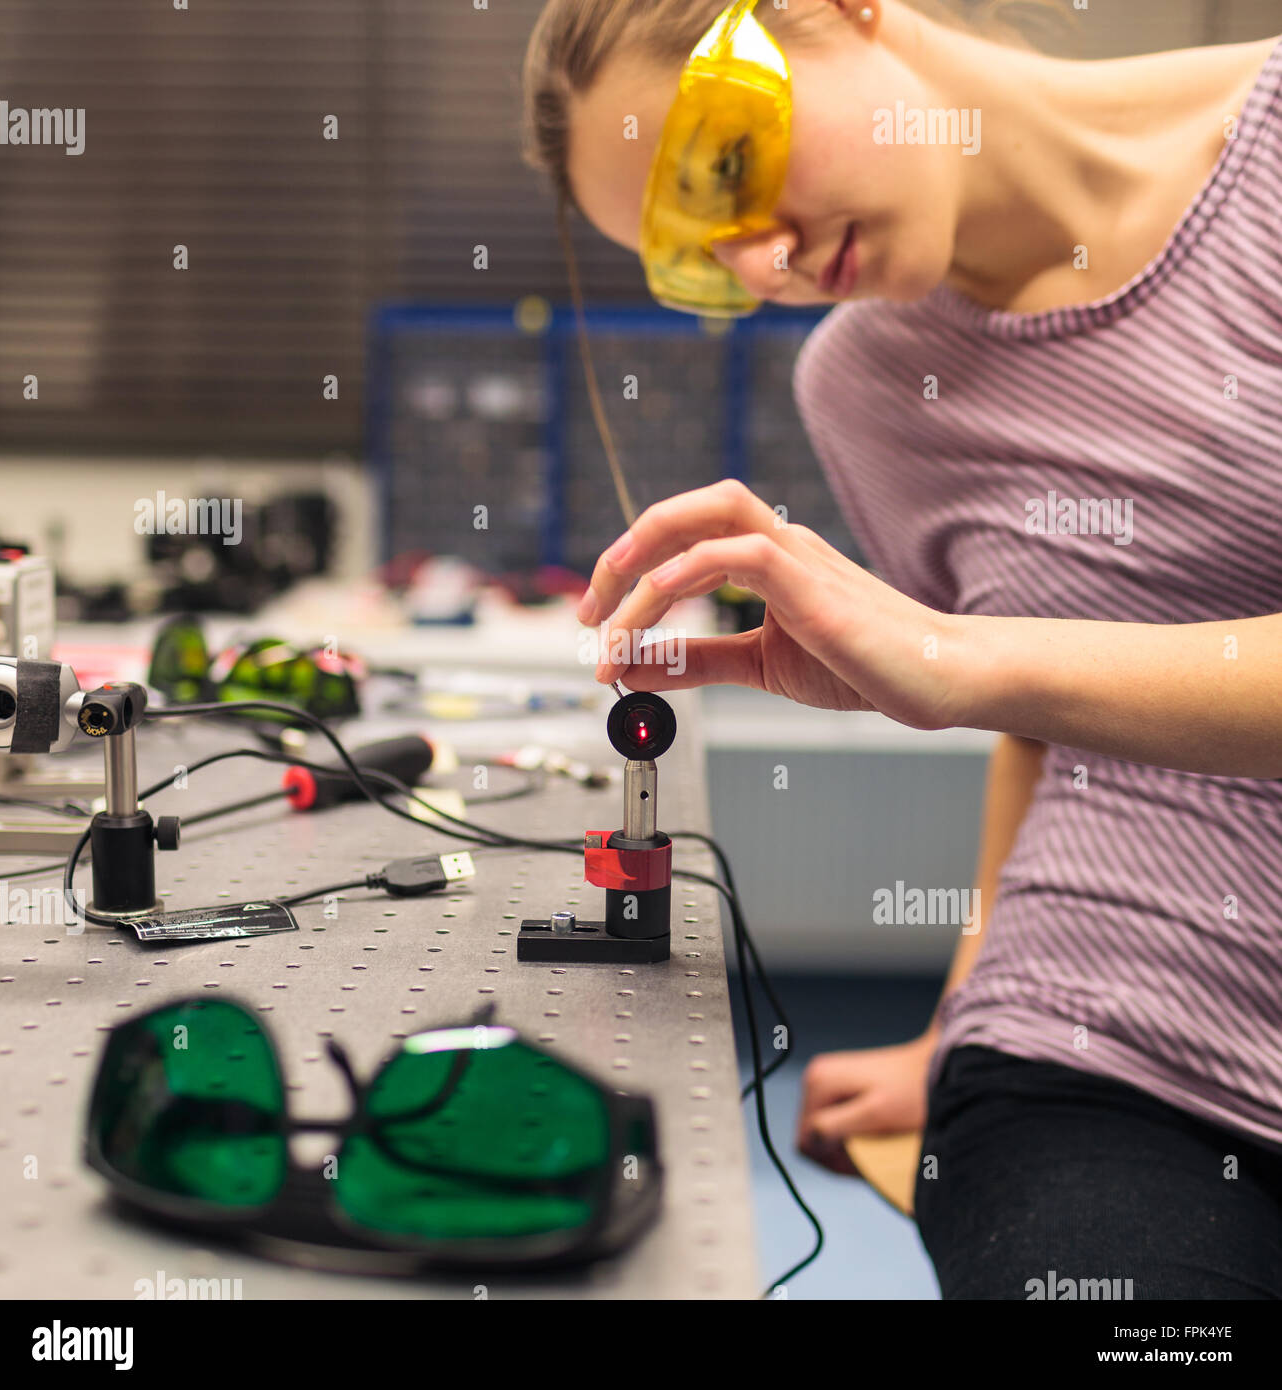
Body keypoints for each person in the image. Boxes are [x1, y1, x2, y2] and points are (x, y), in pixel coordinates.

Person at [522, 0, 1282, 1297]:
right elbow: (1045, 725)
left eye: (724, 168)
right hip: (1102, 1059)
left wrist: (957, 659)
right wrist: (953, 1022)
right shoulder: (868, 383)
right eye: (696, 255)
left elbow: (995, 673)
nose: (761, 262)